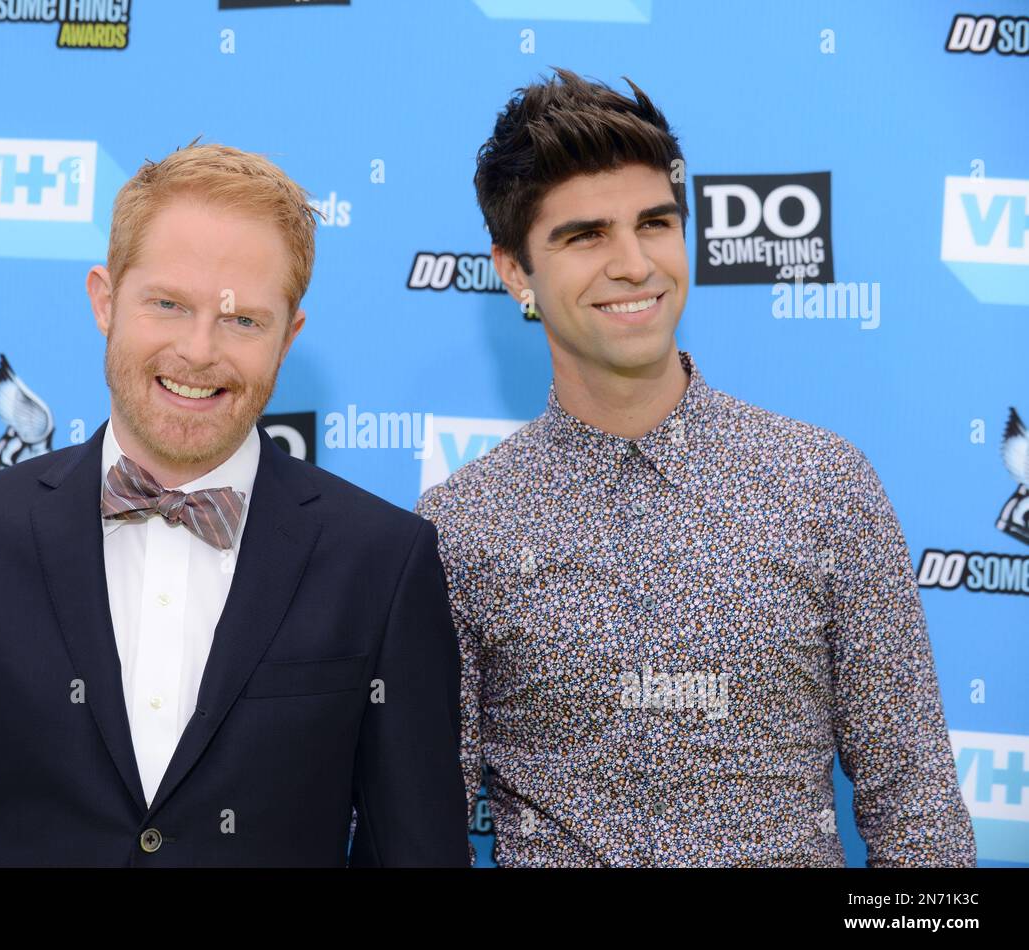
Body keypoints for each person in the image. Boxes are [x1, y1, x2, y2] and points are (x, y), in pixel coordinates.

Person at [0, 142, 467, 867]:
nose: (198, 350)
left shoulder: (382, 561)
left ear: (288, 337)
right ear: (105, 300)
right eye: (167, 304)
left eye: (243, 321)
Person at [415, 69, 977, 867]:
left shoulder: (822, 485)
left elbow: (916, 810)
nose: (634, 263)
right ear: (514, 272)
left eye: (655, 223)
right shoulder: (459, 526)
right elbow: (426, 829)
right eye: (585, 236)